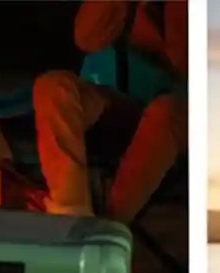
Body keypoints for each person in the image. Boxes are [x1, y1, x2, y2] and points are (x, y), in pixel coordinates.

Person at [31, 0, 187, 223]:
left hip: (172, 106)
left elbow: (183, 61)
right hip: (112, 96)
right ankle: (71, 211)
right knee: (53, 86)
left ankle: (108, 227)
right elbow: (86, 38)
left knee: (166, 112)